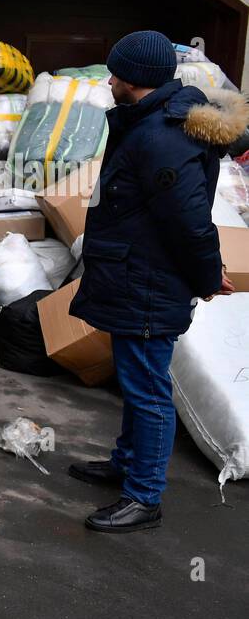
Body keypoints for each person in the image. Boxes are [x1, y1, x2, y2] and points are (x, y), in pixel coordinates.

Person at [66, 30, 243, 533]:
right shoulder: (148, 121)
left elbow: (189, 221)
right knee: (135, 380)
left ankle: (145, 497)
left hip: (148, 281)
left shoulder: (162, 137)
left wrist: (208, 275)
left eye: (115, 73)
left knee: (147, 390)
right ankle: (126, 464)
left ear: (134, 79)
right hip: (135, 273)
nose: (110, 80)